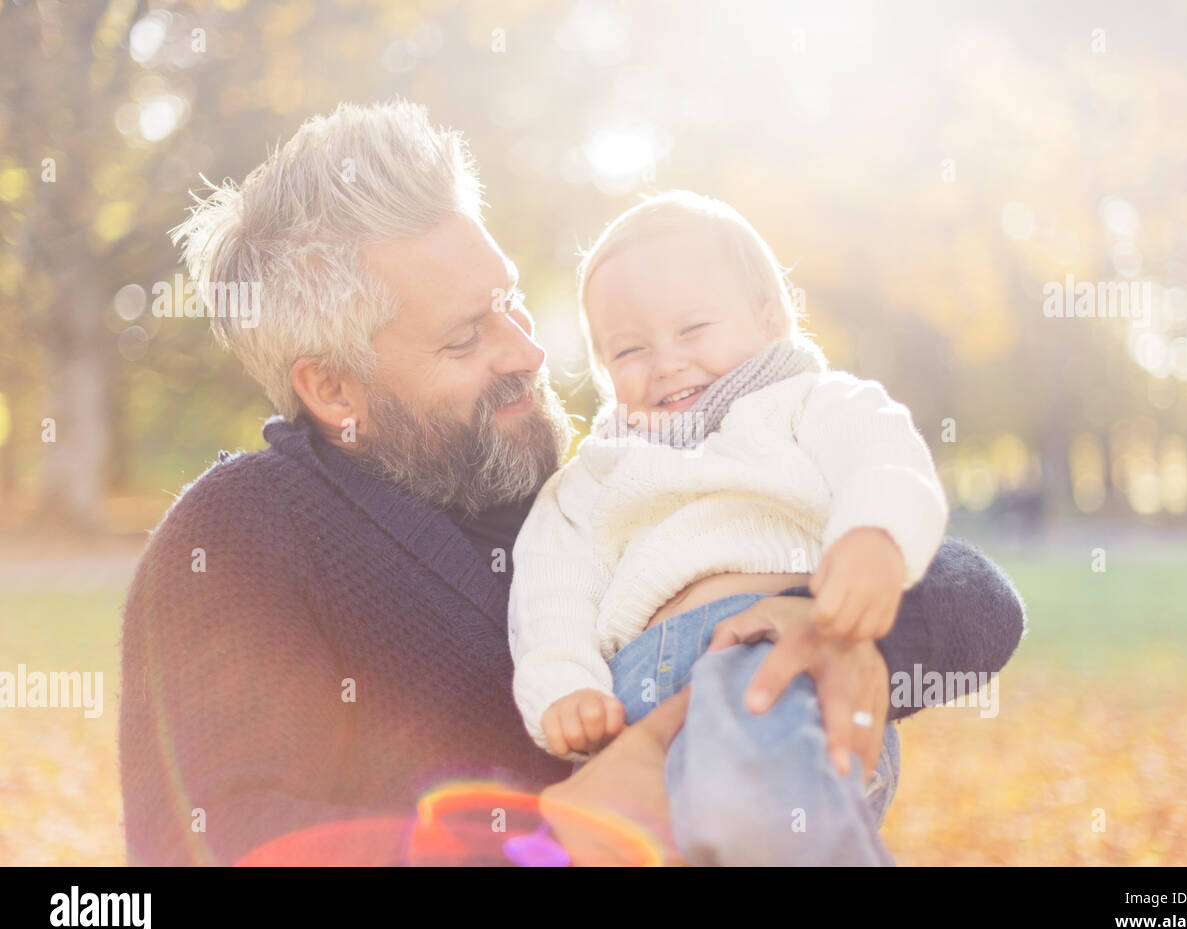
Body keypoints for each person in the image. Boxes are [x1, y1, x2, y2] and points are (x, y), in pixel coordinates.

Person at [118, 98, 1025, 866]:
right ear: (332, 387)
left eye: (510, 301)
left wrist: (813, 624)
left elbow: (978, 603)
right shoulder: (237, 537)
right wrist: (545, 841)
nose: (528, 351)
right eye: (465, 338)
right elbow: (215, 843)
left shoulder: (571, 468)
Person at [510, 191, 953, 864]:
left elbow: (885, 457)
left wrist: (875, 539)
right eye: (629, 350)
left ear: (770, 319)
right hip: (628, 700)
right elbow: (550, 588)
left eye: (692, 330)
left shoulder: (808, 403)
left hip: (772, 658)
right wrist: (566, 684)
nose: (666, 362)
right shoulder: (596, 473)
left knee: (761, 823)